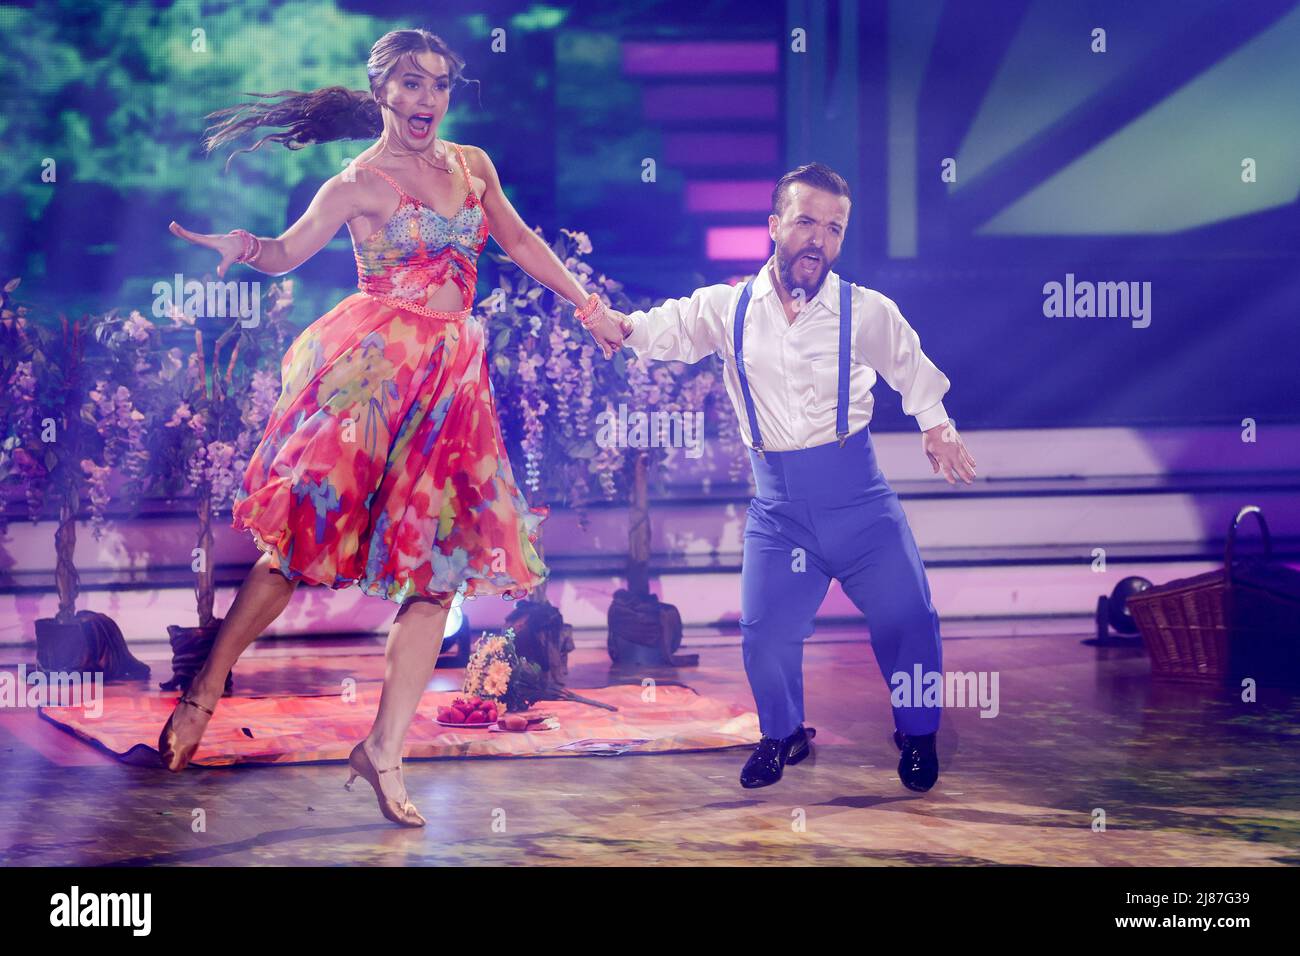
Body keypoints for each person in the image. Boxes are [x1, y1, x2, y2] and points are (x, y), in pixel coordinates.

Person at [160, 29, 627, 826]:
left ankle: (383, 748)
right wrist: (237, 246)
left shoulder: (472, 166)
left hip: (451, 389)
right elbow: (283, 251)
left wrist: (587, 307)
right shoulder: (357, 183)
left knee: (439, 570)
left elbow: (514, 240)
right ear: (382, 91)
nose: (428, 99)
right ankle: (201, 695)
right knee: (299, 545)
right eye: (412, 84)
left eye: (440, 85)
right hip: (374, 382)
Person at [604, 162, 976, 791]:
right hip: (778, 514)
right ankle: (783, 734)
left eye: (833, 228)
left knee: (910, 618)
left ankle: (917, 735)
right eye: (806, 222)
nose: (819, 239)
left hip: (860, 506)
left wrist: (935, 425)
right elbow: (665, 329)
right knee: (764, 631)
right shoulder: (730, 308)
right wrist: (622, 329)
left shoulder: (866, 311)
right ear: (774, 226)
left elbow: (910, 366)